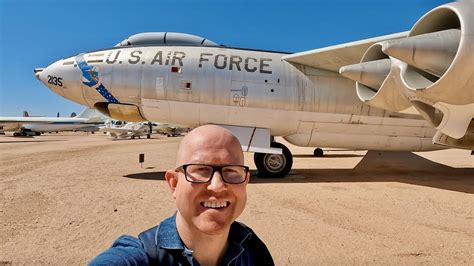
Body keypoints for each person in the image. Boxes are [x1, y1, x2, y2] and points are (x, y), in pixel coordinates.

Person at [89, 125, 274, 265]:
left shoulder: (253, 249)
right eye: (201, 169)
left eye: (232, 171)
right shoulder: (141, 257)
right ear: (174, 183)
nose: (217, 186)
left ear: (245, 182)